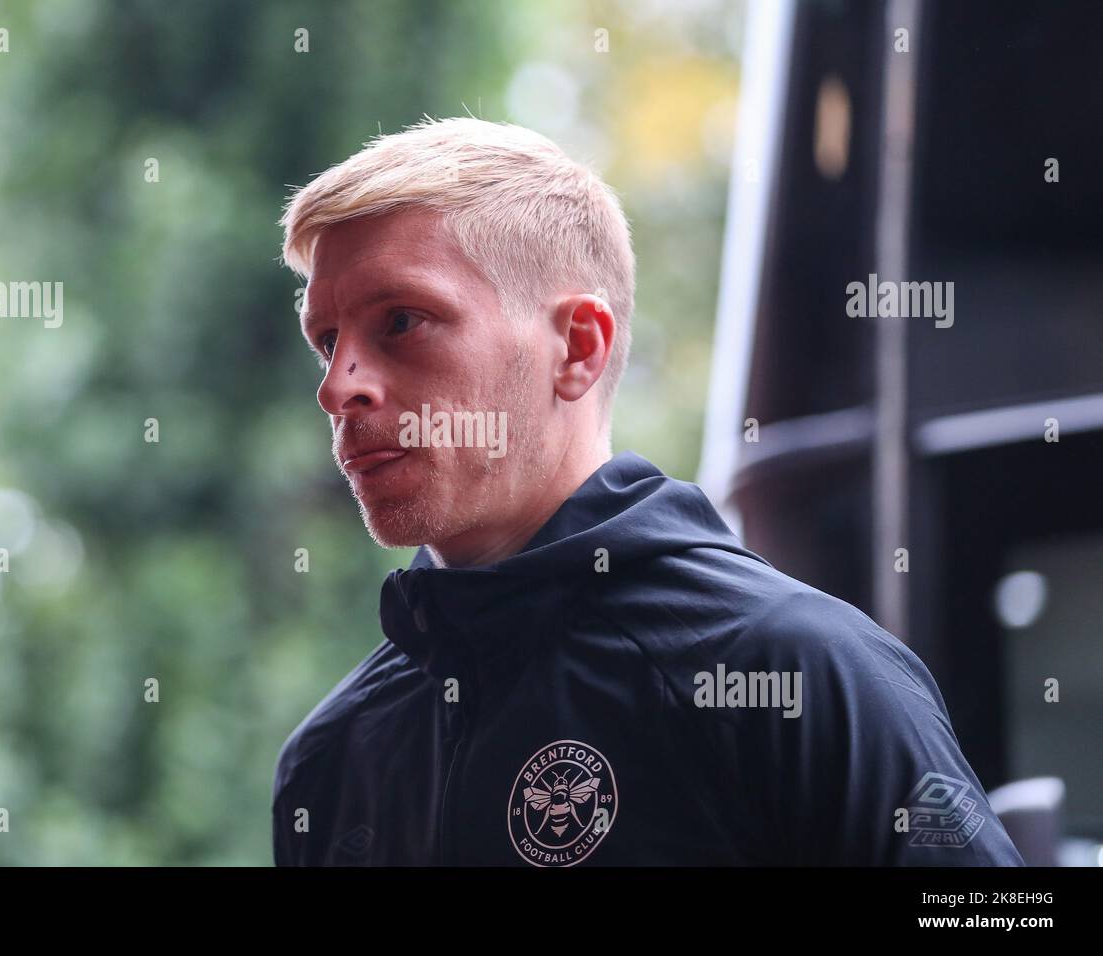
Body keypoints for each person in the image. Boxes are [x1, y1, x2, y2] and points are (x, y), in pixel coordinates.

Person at [270, 116, 1024, 866]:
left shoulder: (795, 673)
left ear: (578, 347)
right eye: (328, 342)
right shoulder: (331, 759)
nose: (337, 388)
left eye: (401, 321)